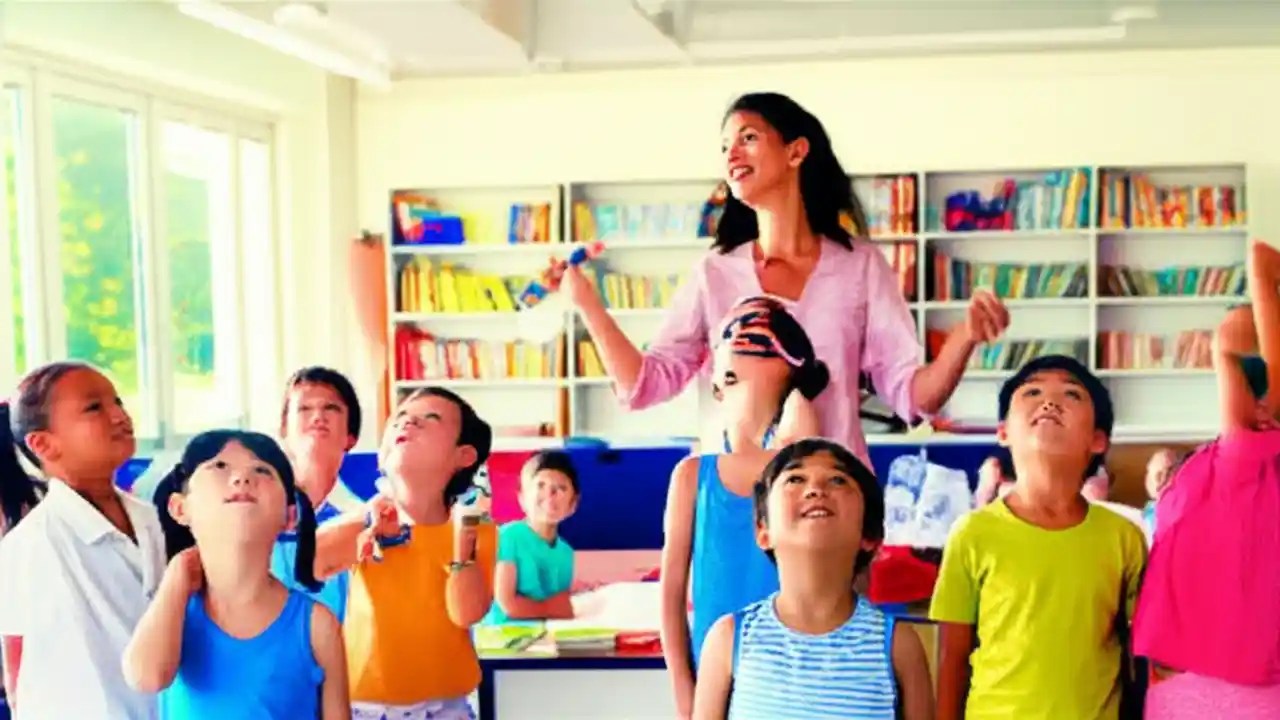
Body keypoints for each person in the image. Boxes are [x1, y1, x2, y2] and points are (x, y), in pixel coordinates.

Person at [561, 92, 1008, 465]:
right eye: (724, 147)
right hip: (735, 502)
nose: (731, 154)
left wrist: (964, 337)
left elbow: (915, 398)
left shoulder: (861, 267)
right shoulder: (714, 274)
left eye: (748, 138)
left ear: (796, 151)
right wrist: (586, 302)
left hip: (833, 503)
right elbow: (641, 386)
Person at [929, 355, 1147, 720]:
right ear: (1003, 433)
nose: (1049, 402)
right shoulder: (973, 533)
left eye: (1072, 395)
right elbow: (953, 658)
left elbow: (1136, 656)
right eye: (1031, 391)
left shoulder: (1123, 537)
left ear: (1097, 440)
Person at [1133, 239, 1280, 718]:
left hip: (1223, 690)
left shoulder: (1246, 455)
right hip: (1199, 683)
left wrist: (1261, 278)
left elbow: (1235, 336)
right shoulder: (1226, 461)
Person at [661, 295, 826, 717]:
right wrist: (684, 691)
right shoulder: (692, 477)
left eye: (757, 338)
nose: (738, 342)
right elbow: (671, 595)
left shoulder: (807, 473)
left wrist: (800, 417)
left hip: (799, 687)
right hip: (713, 687)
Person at [693, 438, 934, 720]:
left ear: (870, 536)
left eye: (837, 480)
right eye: (795, 478)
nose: (816, 489)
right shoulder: (729, 639)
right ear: (763, 530)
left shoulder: (898, 646)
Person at [123, 430, 349, 718]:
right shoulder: (172, 608)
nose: (242, 479)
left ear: (290, 517)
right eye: (220, 466)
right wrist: (178, 575)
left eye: (262, 470)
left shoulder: (317, 626)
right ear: (179, 508)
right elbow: (147, 676)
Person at [0, 361, 166, 719]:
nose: (119, 415)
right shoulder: (32, 543)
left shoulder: (146, 517)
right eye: (95, 407)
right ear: (43, 444)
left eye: (117, 401)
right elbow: (15, 654)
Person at [321, 387, 496, 720]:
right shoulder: (365, 522)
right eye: (400, 418)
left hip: (445, 709)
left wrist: (463, 538)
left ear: (464, 456)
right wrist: (365, 520)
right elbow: (310, 564)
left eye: (430, 418)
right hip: (362, 709)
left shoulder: (476, 529)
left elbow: (466, 612)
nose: (408, 422)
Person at [272, 367, 364, 621]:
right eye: (304, 409)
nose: (318, 417)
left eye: (331, 409)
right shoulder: (258, 512)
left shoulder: (366, 520)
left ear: (351, 436)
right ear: (283, 430)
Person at [481, 450, 580, 625]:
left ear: (573, 504)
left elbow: (561, 605)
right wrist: (550, 609)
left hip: (545, 639)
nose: (550, 494)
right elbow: (507, 604)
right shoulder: (508, 537)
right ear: (522, 498)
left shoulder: (566, 552)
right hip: (502, 639)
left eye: (561, 488)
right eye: (541, 485)